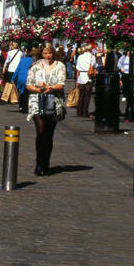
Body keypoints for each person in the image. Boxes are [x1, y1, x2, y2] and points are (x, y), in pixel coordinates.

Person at [26, 42, 66, 176]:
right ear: (40, 54)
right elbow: (29, 85)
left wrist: (50, 87)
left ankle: (46, 163)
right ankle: (39, 163)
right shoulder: (35, 67)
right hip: (37, 101)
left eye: (49, 53)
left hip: (54, 102)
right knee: (41, 132)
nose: (48, 56)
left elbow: (61, 84)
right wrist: (40, 89)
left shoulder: (60, 66)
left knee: (49, 134)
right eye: (45, 53)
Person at [94, 49, 121, 133]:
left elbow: (113, 66)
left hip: (110, 78)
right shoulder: (104, 56)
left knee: (109, 103)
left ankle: (108, 123)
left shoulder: (112, 55)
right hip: (106, 80)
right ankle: (105, 122)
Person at [74, 42, 96, 117]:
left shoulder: (80, 56)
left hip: (81, 77)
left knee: (81, 95)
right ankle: (85, 111)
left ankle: (79, 111)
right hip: (88, 76)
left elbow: (77, 69)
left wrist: (77, 80)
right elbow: (93, 66)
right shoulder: (92, 57)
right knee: (87, 96)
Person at [118, 49, 134, 123]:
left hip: (131, 75)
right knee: (125, 85)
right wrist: (121, 68)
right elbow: (119, 64)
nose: (129, 53)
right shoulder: (123, 57)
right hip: (125, 74)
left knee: (131, 89)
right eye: (128, 51)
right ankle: (124, 94)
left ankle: (130, 110)